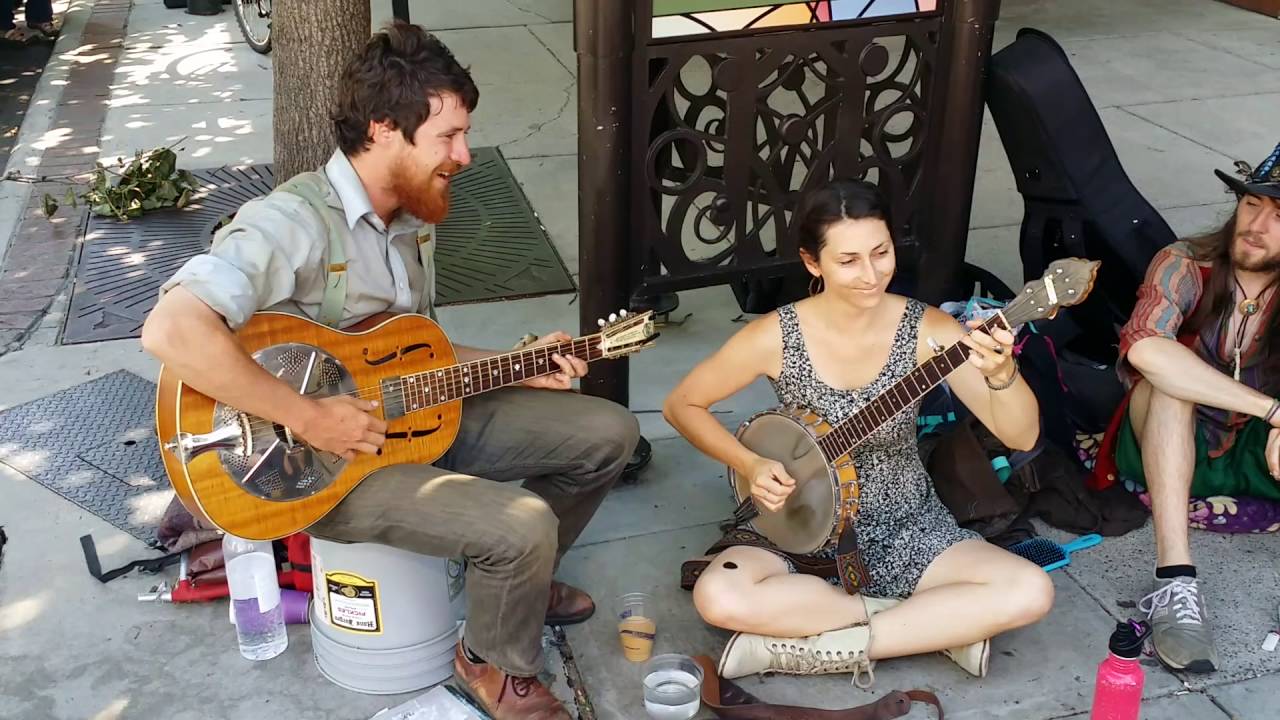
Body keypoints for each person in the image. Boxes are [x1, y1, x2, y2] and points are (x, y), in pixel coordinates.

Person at [141, 23, 639, 720]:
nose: (466, 155)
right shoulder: (293, 222)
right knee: (520, 524)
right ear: (383, 129)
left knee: (608, 431)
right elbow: (170, 329)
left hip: (407, 420)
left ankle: (516, 593)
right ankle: (492, 667)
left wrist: (514, 366)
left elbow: (406, 354)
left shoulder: (411, 218)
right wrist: (309, 416)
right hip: (316, 470)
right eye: (449, 137)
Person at [662, 179, 1054, 685]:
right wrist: (750, 463)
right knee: (718, 596)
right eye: (848, 260)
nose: (871, 275)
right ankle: (936, 624)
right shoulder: (776, 335)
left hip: (905, 521)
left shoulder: (930, 332)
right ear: (812, 263)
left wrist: (1003, 376)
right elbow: (682, 404)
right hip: (800, 521)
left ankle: (829, 644)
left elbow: (1021, 436)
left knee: (1030, 591)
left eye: (881, 252)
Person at [1106, 141, 1280, 674]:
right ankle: (1175, 584)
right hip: (1165, 442)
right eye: (1253, 204)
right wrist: (1274, 411)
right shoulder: (1185, 262)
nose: (1257, 223)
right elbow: (1144, 346)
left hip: (1256, 455)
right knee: (1167, 379)